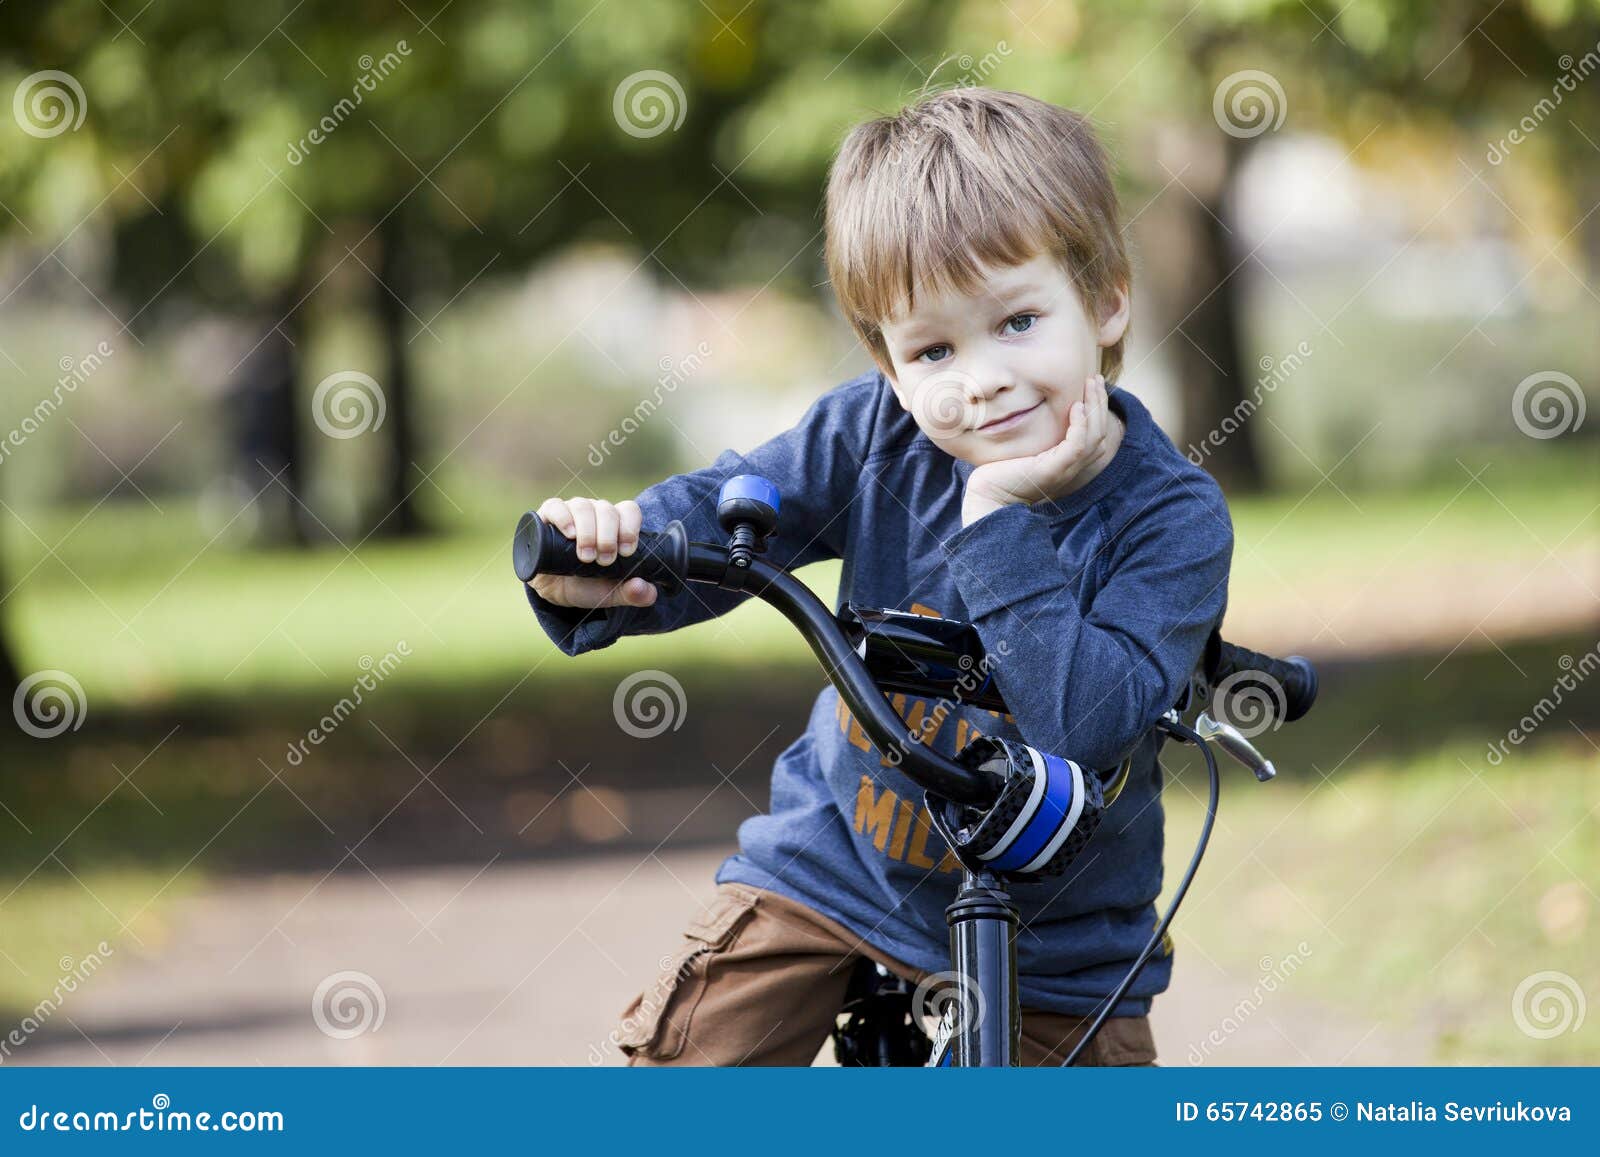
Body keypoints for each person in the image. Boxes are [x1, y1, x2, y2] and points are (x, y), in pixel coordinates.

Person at [524, 87, 1232, 1066]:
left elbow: (1086, 722)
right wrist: (614, 551)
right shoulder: (874, 432)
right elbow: (736, 510)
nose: (978, 377)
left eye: (1016, 321)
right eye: (933, 348)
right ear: (886, 364)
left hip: (1062, 939)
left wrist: (993, 519)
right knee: (688, 1068)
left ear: (1105, 298)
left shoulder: (1170, 515)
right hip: (838, 866)